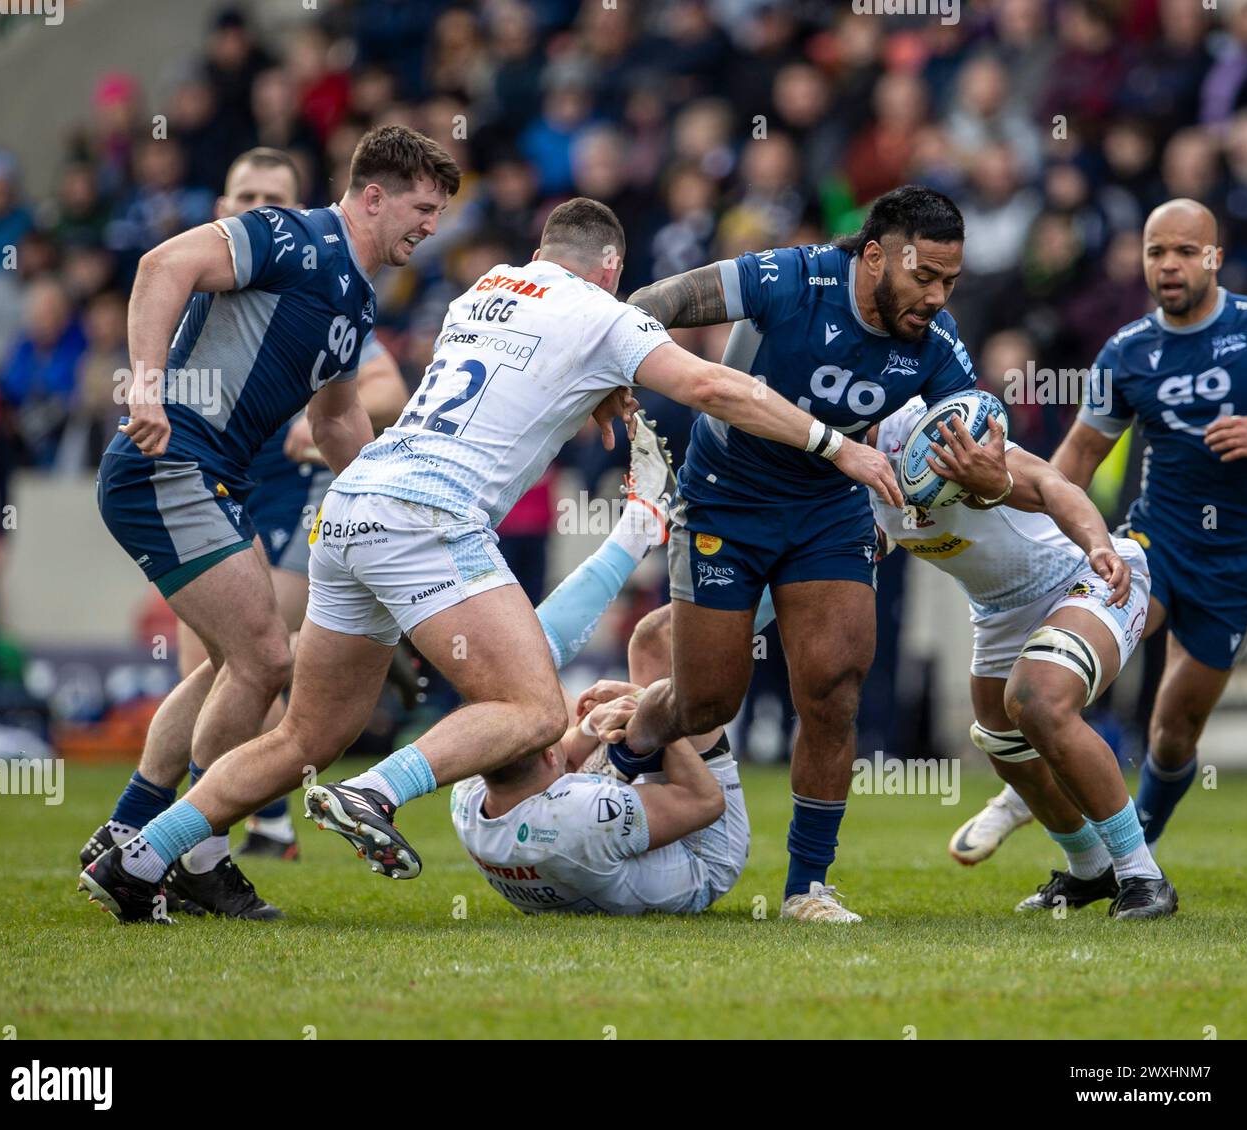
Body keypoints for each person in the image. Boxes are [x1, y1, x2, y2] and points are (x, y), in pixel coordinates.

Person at [79, 195, 898, 923]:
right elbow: (721, 389)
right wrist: (835, 446)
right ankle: (377, 791)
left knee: (303, 734)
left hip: (355, 500)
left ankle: (141, 854)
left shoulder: (485, 288)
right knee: (537, 712)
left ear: (544, 251)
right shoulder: (606, 316)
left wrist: (608, 380)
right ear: (612, 269)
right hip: (431, 513)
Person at [80, 126, 457, 919]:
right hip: (169, 461)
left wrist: (396, 518)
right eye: (423, 208)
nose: (432, 227)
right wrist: (144, 383)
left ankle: (136, 824)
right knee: (261, 658)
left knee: (237, 663)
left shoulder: (357, 293)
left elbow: (338, 420)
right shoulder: (292, 233)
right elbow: (162, 265)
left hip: (210, 477)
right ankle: (197, 855)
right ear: (375, 195)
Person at [615, 185, 977, 923]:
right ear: (875, 255)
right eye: (924, 277)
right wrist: (617, 383)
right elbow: (653, 300)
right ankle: (626, 745)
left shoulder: (936, 347)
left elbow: (977, 432)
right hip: (724, 500)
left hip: (828, 514)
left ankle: (806, 887)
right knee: (708, 700)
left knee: (834, 690)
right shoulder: (787, 277)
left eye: (950, 281)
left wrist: (989, 474)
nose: (937, 296)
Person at [870, 398, 1175, 918]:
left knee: (1038, 702)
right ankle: (1091, 869)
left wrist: (1099, 544)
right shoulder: (831, 469)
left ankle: (1143, 876)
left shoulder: (933, 428)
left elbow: (1054, 484)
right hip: (997, 613)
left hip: (1078, 575)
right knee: (1003, 744)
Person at [451, 422, 750, 916]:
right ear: (551, 759)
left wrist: (589, 725)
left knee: (540, 668)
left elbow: (546, 761)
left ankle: (642, 526)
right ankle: (789, 573)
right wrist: (646, 712)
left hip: (584, 841)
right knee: (656, 641)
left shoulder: (470, 797)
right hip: (705, 855)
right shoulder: (575, 813)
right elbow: (704, 804)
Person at [1052, 198, 1247, 851]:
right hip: (1154, 543)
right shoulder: (1127, 352)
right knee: (1064, 677)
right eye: (1155, 252)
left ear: (1216, 258)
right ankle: (1059, 819)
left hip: (1237, 562)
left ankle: (1138, 838)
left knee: (1173, 730)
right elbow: (1076, 459)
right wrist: (1015, 510)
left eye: (1185, 251)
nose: (1169, 265)